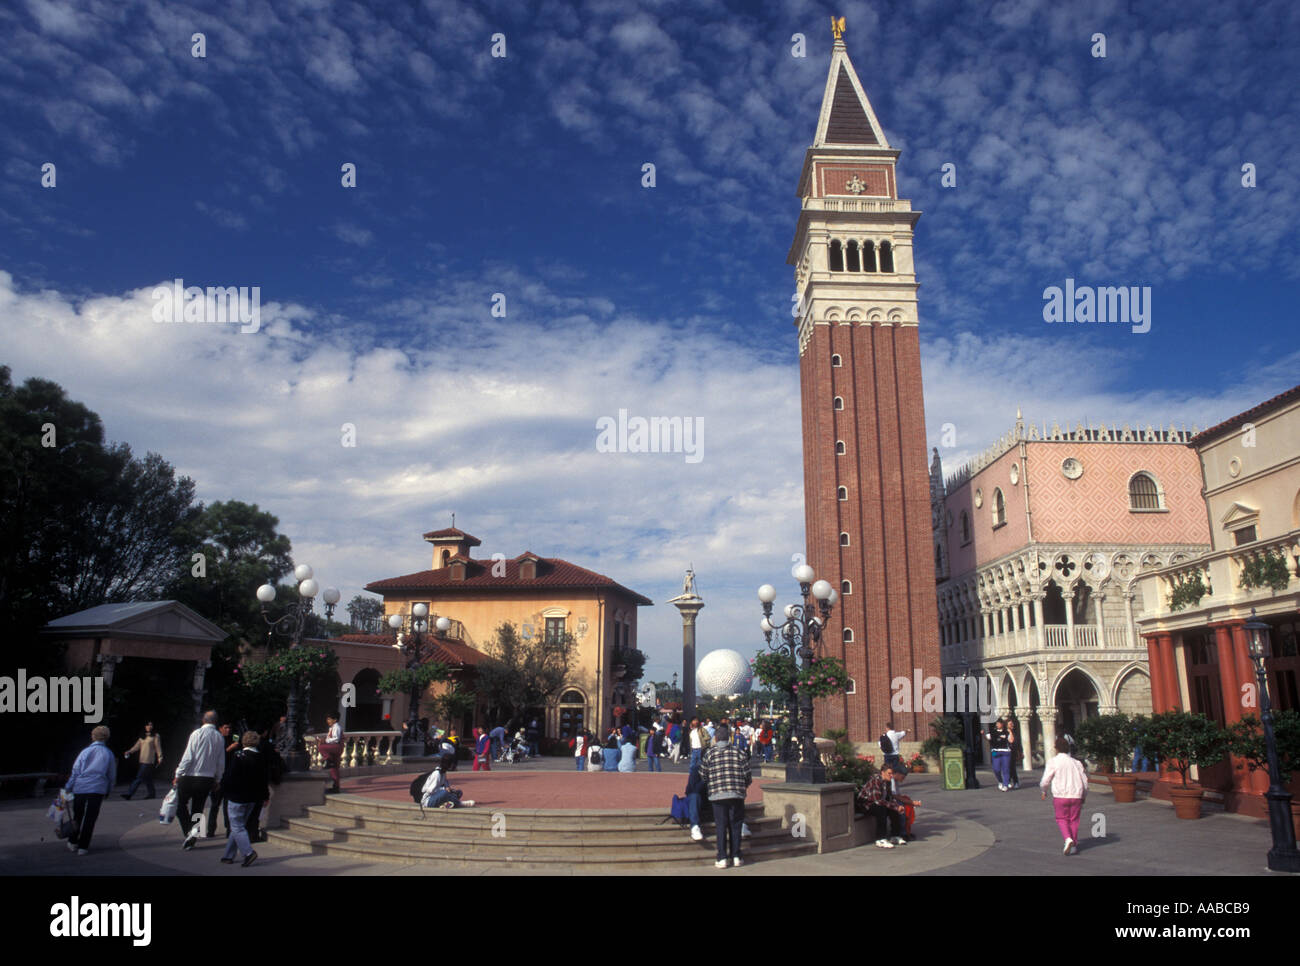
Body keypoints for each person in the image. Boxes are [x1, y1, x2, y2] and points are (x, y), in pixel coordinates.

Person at [698, 723, 750, 868]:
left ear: (716, 738)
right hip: (736, 794)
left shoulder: (710, 753)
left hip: (717, 794)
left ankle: (722, 857)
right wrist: (743, 786)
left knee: (721, 826)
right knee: (735, 825)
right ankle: (736, 856)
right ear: (729, 738)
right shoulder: (739, 752)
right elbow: (747, 774)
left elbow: (703, 774)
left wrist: (712, 783)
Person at [174, 710, 226, 850]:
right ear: (216, 722)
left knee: (180, 805)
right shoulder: (219, 738)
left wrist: (178, 773)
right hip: (207, 778)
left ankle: (189, 833)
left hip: (190, 775)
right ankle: (196, 833)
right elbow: (221, 762)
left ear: (204, 720)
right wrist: (218, 779)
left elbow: (188, 757)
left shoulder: (196, 734)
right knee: (198, 807)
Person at [219, 730, 269, 868]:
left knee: (236, 826)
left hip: (237, 796)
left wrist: (223, 789)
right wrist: (265, 796)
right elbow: (263, 779)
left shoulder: (239, 756)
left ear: (244, 741)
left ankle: (248, 852)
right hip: (253, 798)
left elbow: (230, 776)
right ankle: (228, 855)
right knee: (239, 826)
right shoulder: (260, 757)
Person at [65, 725, 117, 855]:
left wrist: (68, 787)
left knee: (77, 815)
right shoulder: (109, 754)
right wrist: (109, 789)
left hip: (81, 787)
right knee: (90, 818)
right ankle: (84, 846)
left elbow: (75, 771)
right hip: (98, 788)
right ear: (107, 737)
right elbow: (111, 775)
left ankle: (73, 841)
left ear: (93, 736)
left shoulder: (85, 752)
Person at [1041, 736, 1089, 855]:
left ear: (1056, 748)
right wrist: (1084, 795)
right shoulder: (1077, 763)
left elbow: (1045, 780)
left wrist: (1044, 790)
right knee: (1074, 820)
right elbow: (1085, 781)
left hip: (1060, 795)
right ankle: (1073, 845)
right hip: (1076, 795)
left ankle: (1067, 838)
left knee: (1062, 818)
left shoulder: (1053, 762)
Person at [857, 763, 907, 848]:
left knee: (894, 810)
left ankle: (895, 836)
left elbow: (890, 798)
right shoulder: (876, 780)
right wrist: (894, 806)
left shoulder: (887, 782)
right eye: (889, 773)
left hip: (877, 803)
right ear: (882, 773)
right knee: (881, 810)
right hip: (866, 805)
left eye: (892, 773)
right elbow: (878, 800)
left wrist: (897, 807)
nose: (891, 776)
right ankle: (880, 839)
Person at [206, 722, 238, 837]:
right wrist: (229, 749)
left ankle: (229, 829)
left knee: (228, 806)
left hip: (229, 777)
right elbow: (216, 756)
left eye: (229, 727)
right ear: (220, 729)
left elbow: (238, 745)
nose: (228, 730)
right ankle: (211, 829)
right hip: (218, 777)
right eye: (226, 727)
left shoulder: (234, 737)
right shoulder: (217, 740)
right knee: (215, 805)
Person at [121, 722, 162, 800]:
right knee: (148, 778)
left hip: (149, 760)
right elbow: (137, 746)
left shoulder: (155, 736)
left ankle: (129, 793)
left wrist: (160, 757)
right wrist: (129, 751)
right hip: (142, 759)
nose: (149, 726)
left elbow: (158, 748)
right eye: (147, 725)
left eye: (151, 725)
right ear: (144, 726)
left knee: (139, 777)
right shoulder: (142, 737)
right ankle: (152, 793)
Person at [891, 766, 923, 841]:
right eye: (902, 777)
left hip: (894, 799)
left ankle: (906, 831)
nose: (903, 779)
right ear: (897, 774)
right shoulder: (892, 781)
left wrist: (910, 802)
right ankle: (903, 833)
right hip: (891, 801)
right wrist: (911, 802)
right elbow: (895, 796)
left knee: (908, 808)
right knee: (902, 809)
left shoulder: (895, 782)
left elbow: (898, 795)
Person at [318, 713, 344, 794]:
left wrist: (324, 741)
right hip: (335, 747)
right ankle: (336, 787)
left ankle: (328, 759)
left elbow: (336, 739)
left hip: (336, 747)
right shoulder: (332, 728)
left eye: (329, 719)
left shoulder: (337, 727)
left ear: (335, 720)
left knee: (321, 747)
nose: (327, 721)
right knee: (334, 768)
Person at [984, 718, 1013, 791]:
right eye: (997, 723)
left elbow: (1011, 740)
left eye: (999, 723)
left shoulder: (1006, 732)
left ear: (1002, 724)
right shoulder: (993, 732)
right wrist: (982, 734)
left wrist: (1010, 732)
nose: (997, 725)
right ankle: (1000, 781)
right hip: (995, 751)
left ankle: (1006, 784)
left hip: (1005, 751)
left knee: (1005, 769)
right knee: (996, 769)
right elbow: (987, 738)